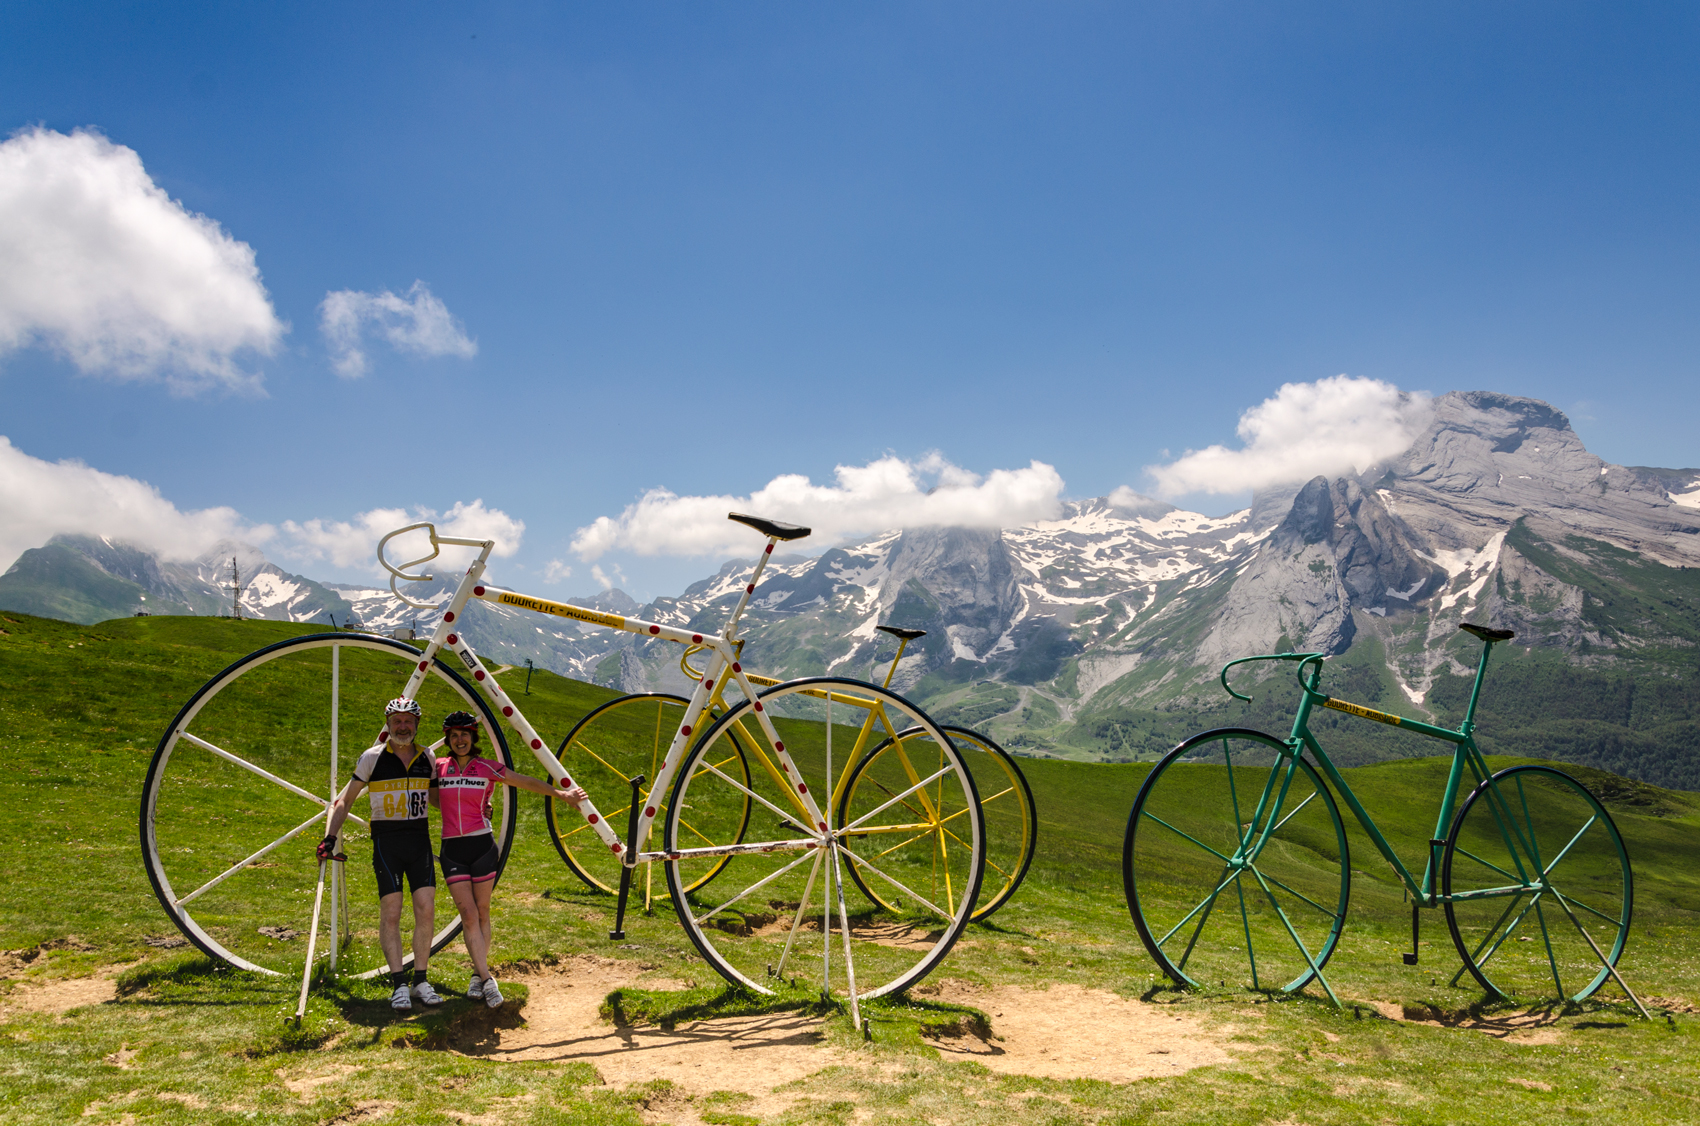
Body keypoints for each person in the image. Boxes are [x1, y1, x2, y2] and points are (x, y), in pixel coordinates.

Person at [431, 710, 588, 1007]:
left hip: (481, 846)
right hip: (452, 848)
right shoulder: (438, 767)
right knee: (467, 915)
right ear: (447, 740)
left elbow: (525, 781)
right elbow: (428, 793)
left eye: (464, 734)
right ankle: (487, 978)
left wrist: (562, 795)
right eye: (453, 736)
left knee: (482, 911)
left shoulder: (486, 767)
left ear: (473, 737)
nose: (459, 740)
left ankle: (477, 976)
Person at [318, 697, 442, 1011]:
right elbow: (345, 801)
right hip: (386, 844)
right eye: (397, 721)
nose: (403, 727)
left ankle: (421, 981)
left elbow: (439, 799)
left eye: (408, 721)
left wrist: (477, 804)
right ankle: (399, 984)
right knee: (391, 912)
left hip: (419, 841)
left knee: (425, 909)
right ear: (387, 724)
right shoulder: (372, 758)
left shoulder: (428, 756)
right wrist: (330, 838)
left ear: (417, 725)